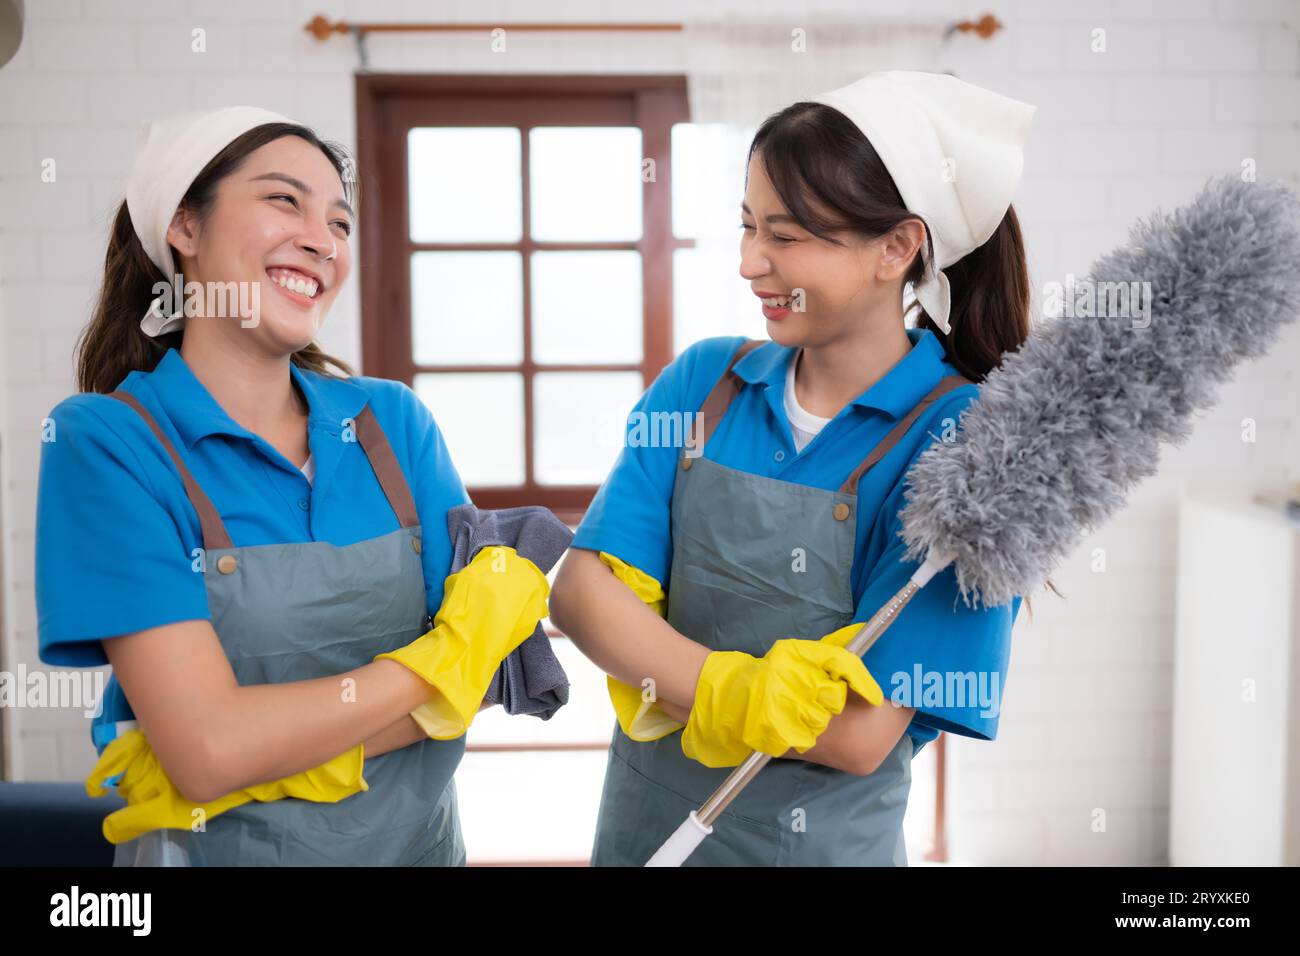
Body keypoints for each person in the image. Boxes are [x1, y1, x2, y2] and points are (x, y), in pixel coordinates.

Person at [35, 106, 549, 866]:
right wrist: (439, 663)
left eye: (339, 222)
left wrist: (252, 753)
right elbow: (207, 751)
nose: (323, 239)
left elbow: (496, 670)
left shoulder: (392, 425)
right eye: (284, 200)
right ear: (184, 225)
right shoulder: (109, 443)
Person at [550, 71, 1037, 866]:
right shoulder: (707, 383)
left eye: (786, 236)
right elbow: (580, 592)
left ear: (896, 248)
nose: (750, 262)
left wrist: (667, 668)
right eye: (748, 227)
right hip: (641, 836)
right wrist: (738, 690)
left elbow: (858, 734)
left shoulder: (971, 447)